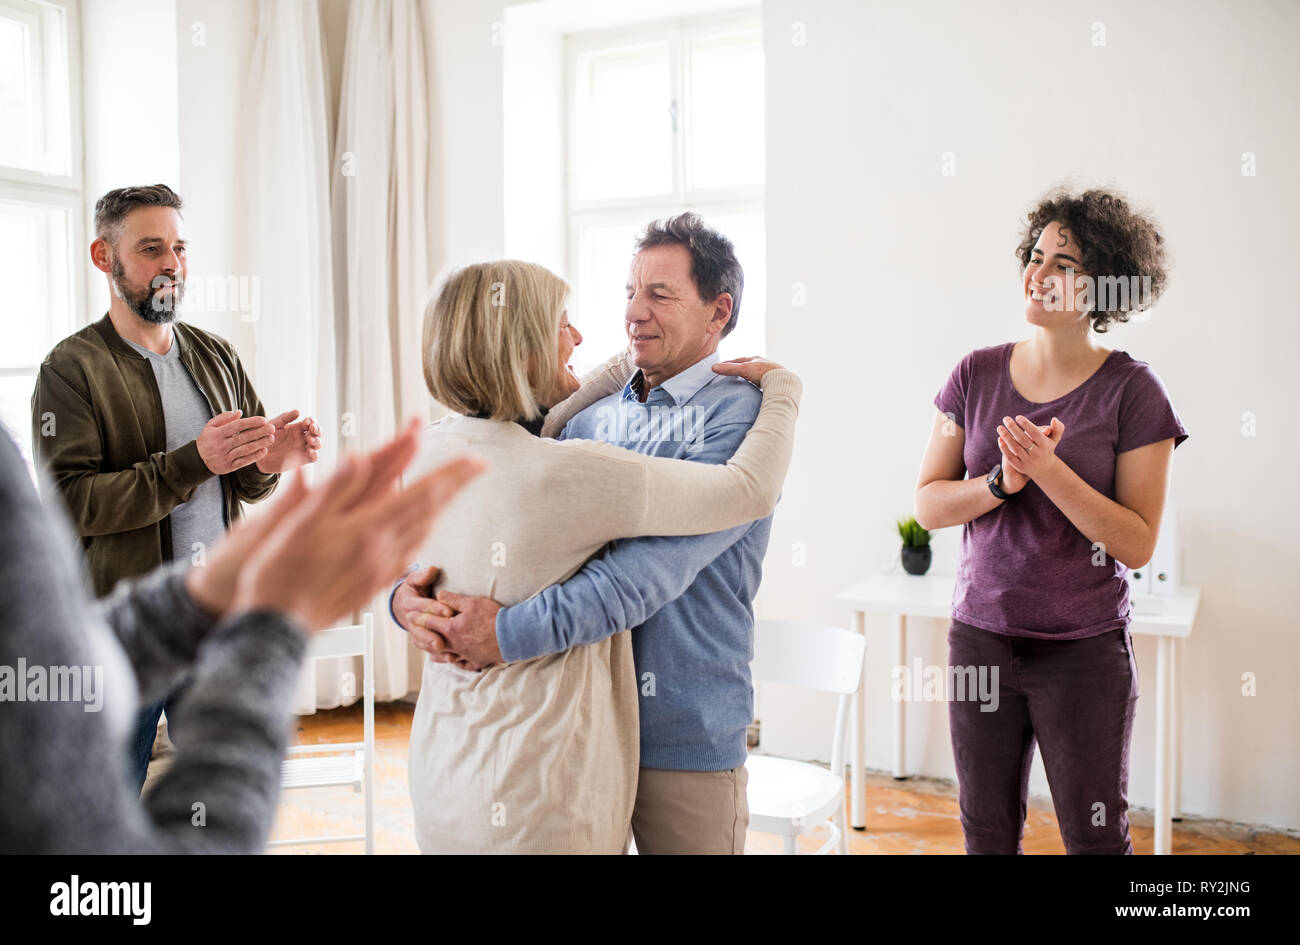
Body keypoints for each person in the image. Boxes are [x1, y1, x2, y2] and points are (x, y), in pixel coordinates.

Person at [399, 213, 785, 854]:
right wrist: (404, 593)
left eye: (659, 294)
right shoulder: (583, 420)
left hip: (678, 733)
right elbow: (467, 532)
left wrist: (502, 632)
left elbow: (642, 576)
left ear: (720, 312)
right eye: (629, 292)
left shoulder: (742, 418)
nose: (633, 312)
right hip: (574, 737)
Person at [0, 415, 483, 853]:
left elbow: (45, 674)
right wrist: (272, 633)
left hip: (198, 628)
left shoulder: (214, 357)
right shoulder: (71, 365)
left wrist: (197, 598)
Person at [914, 187, 1189, 854]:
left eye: (1063, 264)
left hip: (1084, 655)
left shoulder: (1134, 392)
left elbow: (1136, 541)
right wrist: (1001, 483)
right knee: (986, 834)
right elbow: (928, 502)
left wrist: (1048, 468)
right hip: (979, 641)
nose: (1038, 274)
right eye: (1036, 256)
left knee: (1094, 840)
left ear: (1104, 286)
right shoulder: (973, 375)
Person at [30, 184, 322, 793]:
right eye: (151, 248)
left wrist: (272, 460)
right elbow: (69, 504)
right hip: (123, 634)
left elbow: (240, 482)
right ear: (104, 257)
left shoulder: (217, 358)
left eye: (180, 248)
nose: (172, 263)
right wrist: (190, 462)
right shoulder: (71, 370)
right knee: (108, 804)